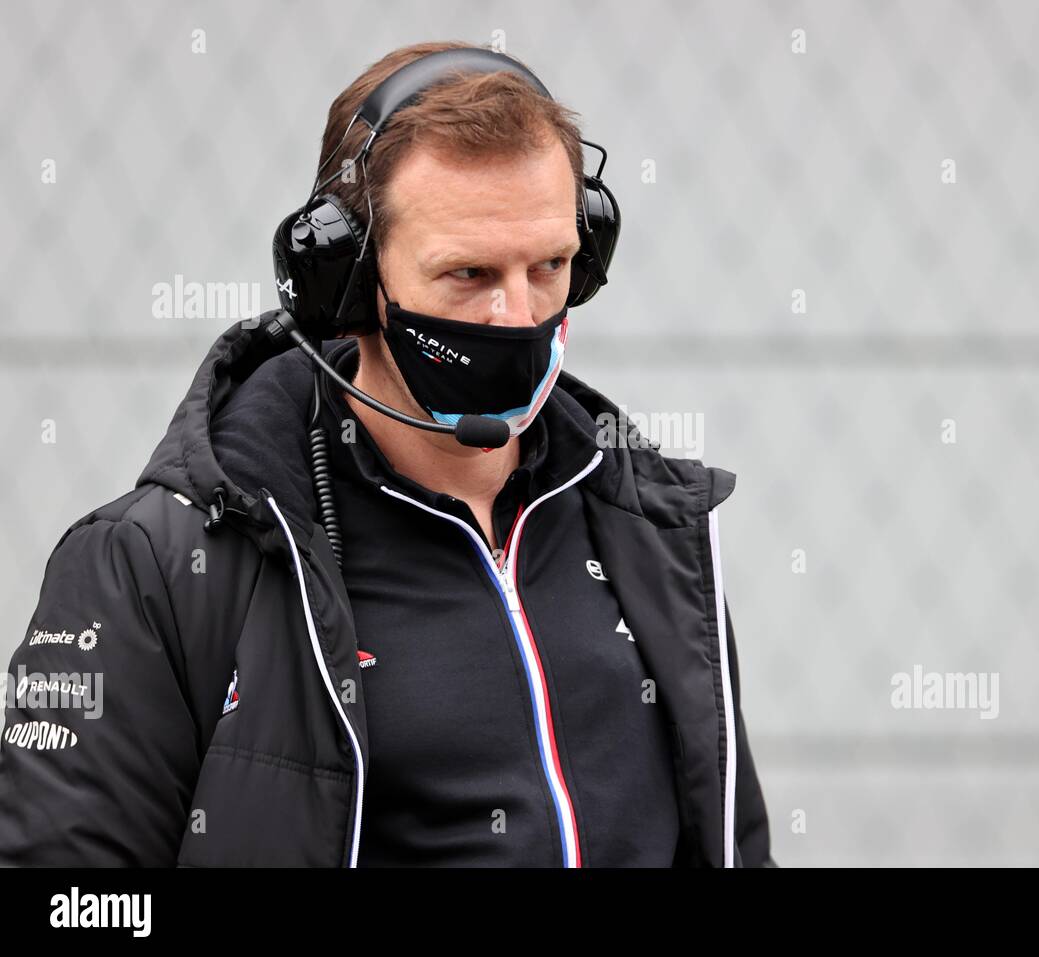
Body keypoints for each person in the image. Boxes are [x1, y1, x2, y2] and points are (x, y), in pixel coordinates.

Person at [0, 40, 775, 868]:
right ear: (348, 277)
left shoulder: (655, 528)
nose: (517, 315)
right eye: (469, 272)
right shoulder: (156, 564)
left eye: (550, 265)